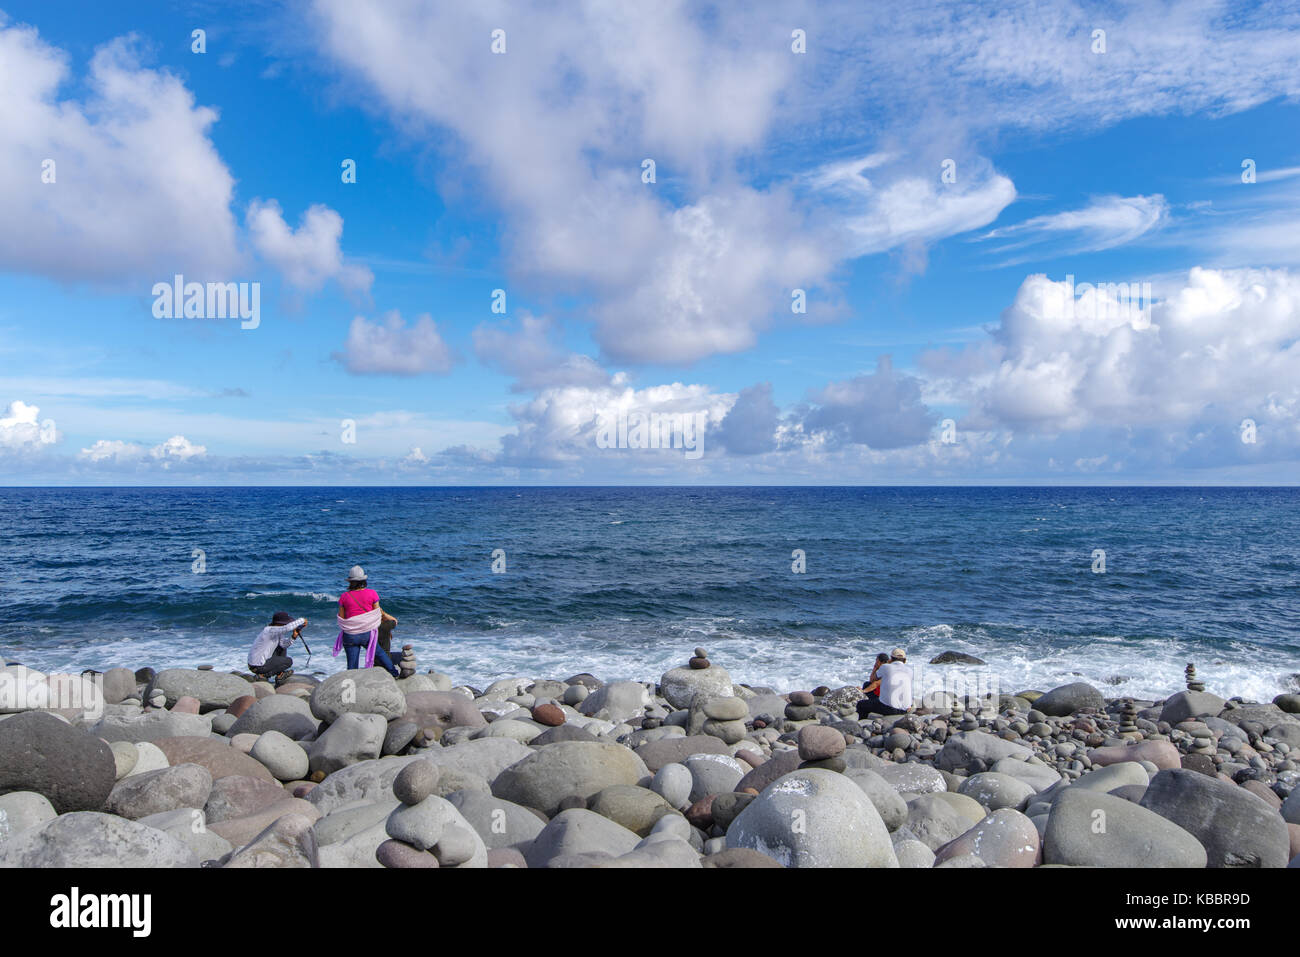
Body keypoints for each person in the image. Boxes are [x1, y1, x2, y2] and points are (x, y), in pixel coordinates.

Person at [333, 565, 404, 677]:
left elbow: (342, 618)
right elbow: (377, 614)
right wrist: (388, 624)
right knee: (380, 653)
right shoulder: (372, 594)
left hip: (350, 635)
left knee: (352, 667)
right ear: (363, 580)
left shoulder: (344, 597)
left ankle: (352, 683)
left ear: (350, 582)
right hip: (367, 634)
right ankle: (394, 673)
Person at [248, 611, 306, 685]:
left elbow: (284, 645)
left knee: (282, 648)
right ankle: (264, 675)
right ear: (280, 623)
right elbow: (287, 628)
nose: (286, 624)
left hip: (260, 663)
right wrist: (303, 620)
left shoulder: (277, 632)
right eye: (285, 623)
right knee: (288, 661)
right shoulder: (269, 630)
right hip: (257, 666)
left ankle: (280, 674)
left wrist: (293, 637)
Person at [856, 647, 913, 717]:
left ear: (891, 659)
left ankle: (862, 724)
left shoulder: (885, 667)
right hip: (905, 709)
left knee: (861, 704)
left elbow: (873, 680)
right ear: (905, 660)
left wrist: (876, 667)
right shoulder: (910, 671)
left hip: (889, 708)